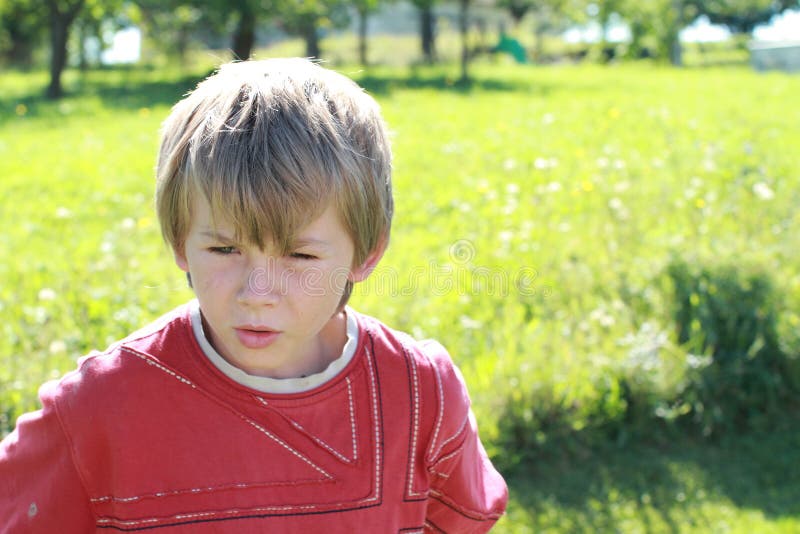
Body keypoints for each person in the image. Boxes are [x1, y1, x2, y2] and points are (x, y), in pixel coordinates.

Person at [0, 58, 508, 532]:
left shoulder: (419, 394)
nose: (257, 293)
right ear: (179, 240)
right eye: (225, 248)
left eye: (299, 256)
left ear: (366, 252)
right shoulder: (98, 407)